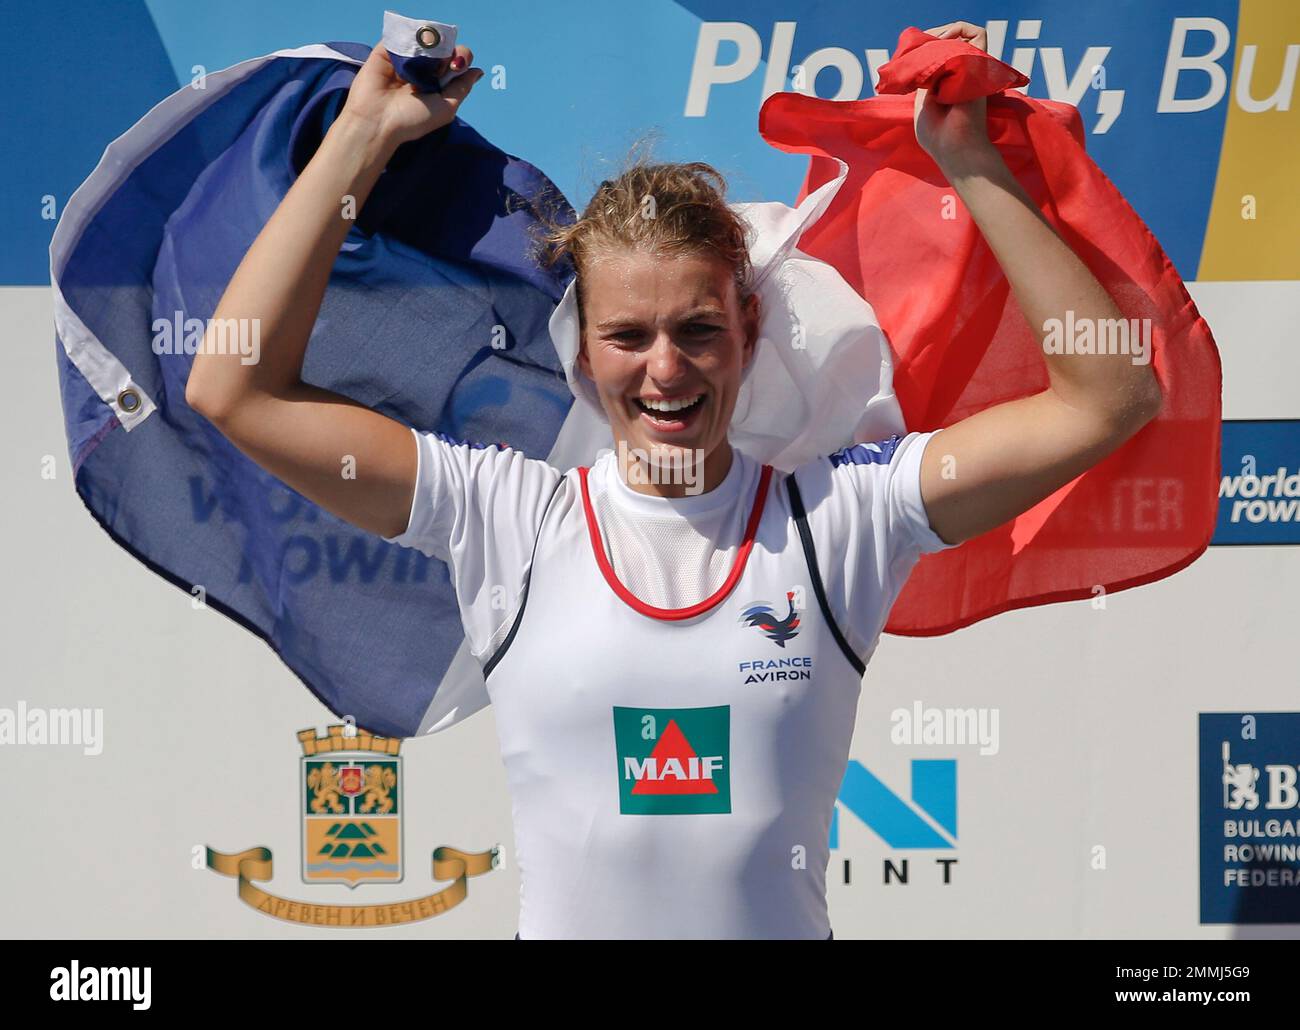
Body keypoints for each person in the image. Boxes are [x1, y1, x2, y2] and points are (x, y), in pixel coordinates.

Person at [185, 22, 1162, 939]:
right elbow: (232, 385)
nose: (664, 367)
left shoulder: (839, 513)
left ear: (748, 331)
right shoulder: (505, 516)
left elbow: (1106, 397)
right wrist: (359, 138)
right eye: (627, 335)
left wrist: (971, 163)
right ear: (581, 354)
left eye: (697, 329)